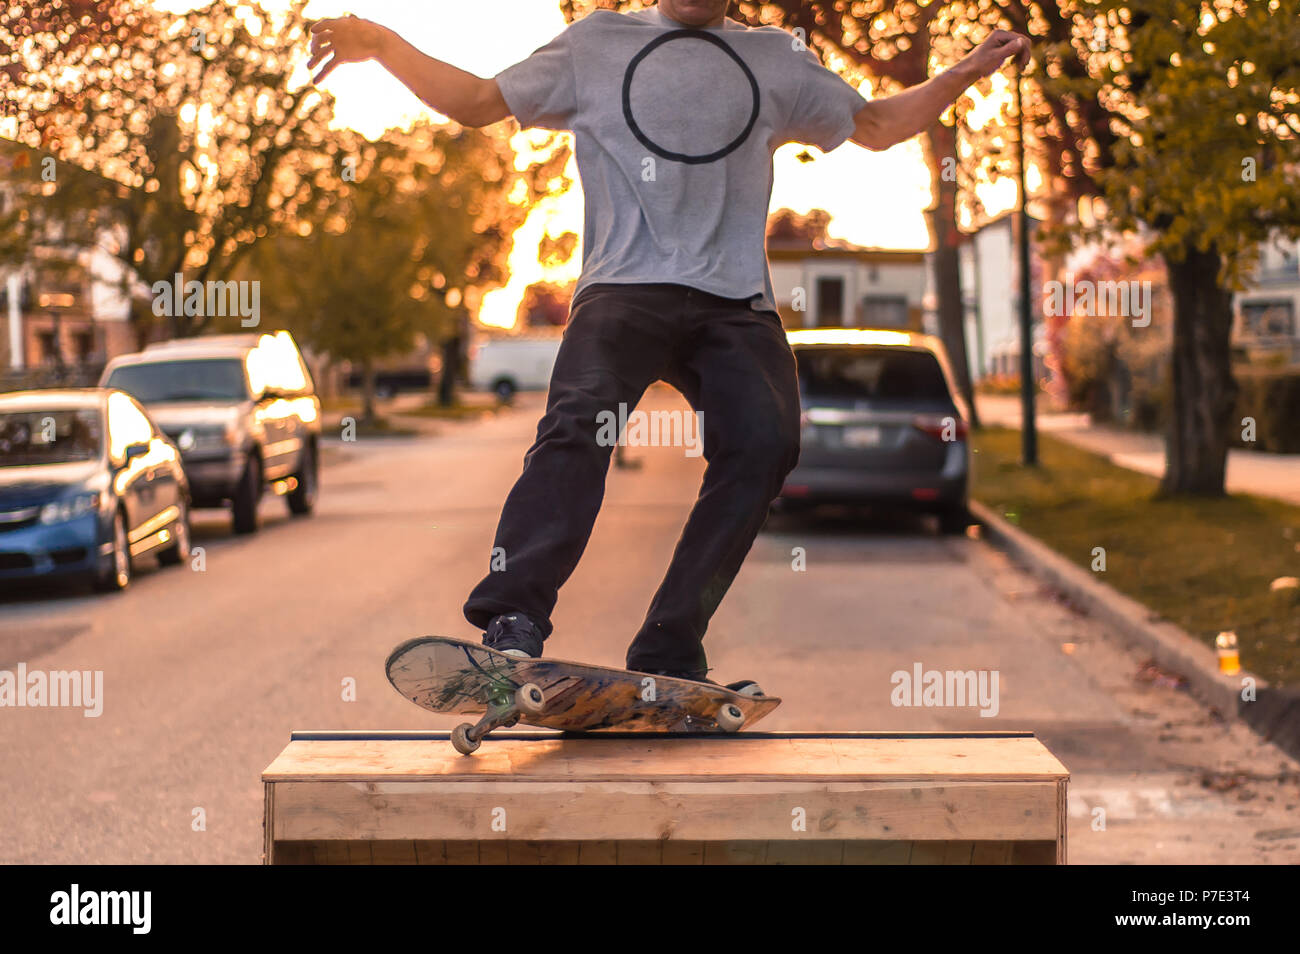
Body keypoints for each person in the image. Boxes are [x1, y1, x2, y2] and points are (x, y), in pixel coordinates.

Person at [308, 1, 1029, 685]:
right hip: (623, 289)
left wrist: (966, 71)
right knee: (579, 422)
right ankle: (515, 616)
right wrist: (381, 44)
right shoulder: (594, 45)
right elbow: (476, 102)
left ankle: (670, 644)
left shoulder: (776, 58)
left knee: (767, 441)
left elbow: (874, 123)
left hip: (735, 302)